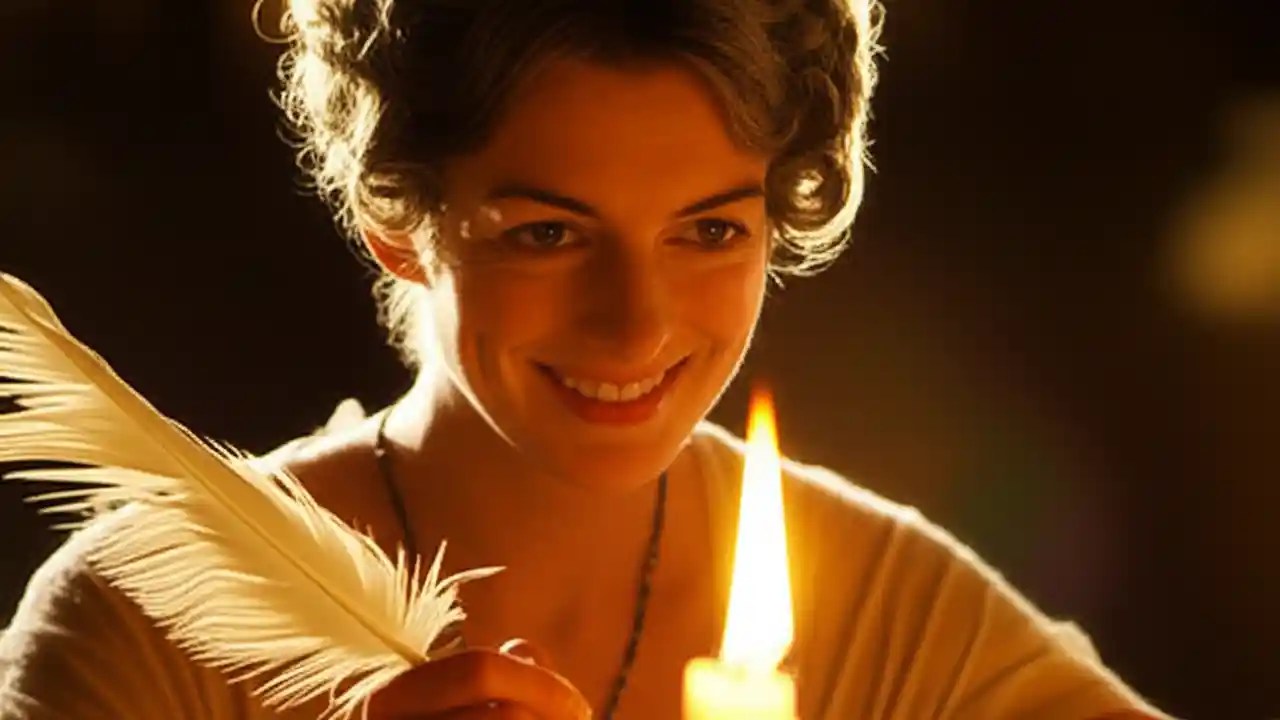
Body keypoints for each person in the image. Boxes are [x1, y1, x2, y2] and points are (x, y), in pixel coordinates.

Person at [0, 0, 1172, 718]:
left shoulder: (896, 613)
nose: (637, 325)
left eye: (708, 229)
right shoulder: (135, 633)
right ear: (399, 223)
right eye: (547, 233)